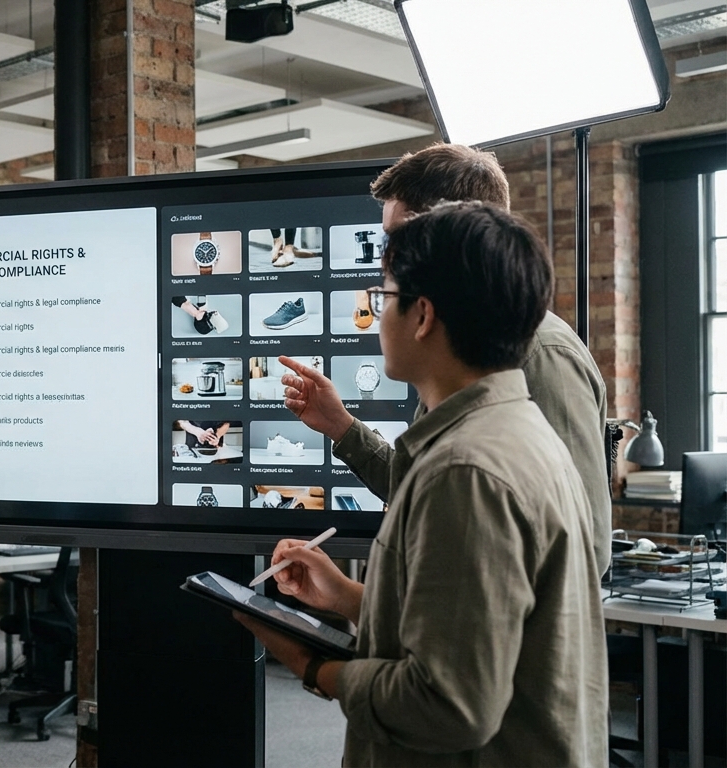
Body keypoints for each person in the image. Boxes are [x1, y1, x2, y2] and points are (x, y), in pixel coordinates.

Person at [237, 203, 608, 765]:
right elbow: (472, 626)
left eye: (384, 297)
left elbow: (448, 705)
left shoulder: (466, 471)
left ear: (423, 315)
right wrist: (343, 596)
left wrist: (314, 665)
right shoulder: (516, 430)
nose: (378, 314)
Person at [279, 142, 612, 575]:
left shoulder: (542, 354)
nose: (388, 260)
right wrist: (342, 427)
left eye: (400, 240)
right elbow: (423, 489)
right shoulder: (454, 352)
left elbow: (583, 544)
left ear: (456, 231)